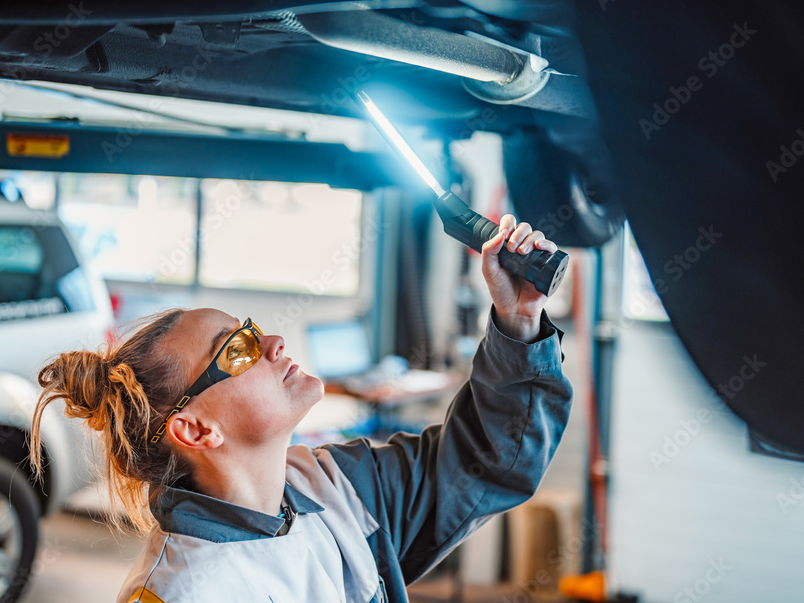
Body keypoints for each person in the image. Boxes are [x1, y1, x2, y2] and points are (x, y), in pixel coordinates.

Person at [31, 215, 573, 603]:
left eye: (250, 330)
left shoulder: (334, 487)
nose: (273, 344)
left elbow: (488, 463)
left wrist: (518, 318)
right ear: (195, 428)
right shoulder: (180, 592)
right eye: (237, 350)